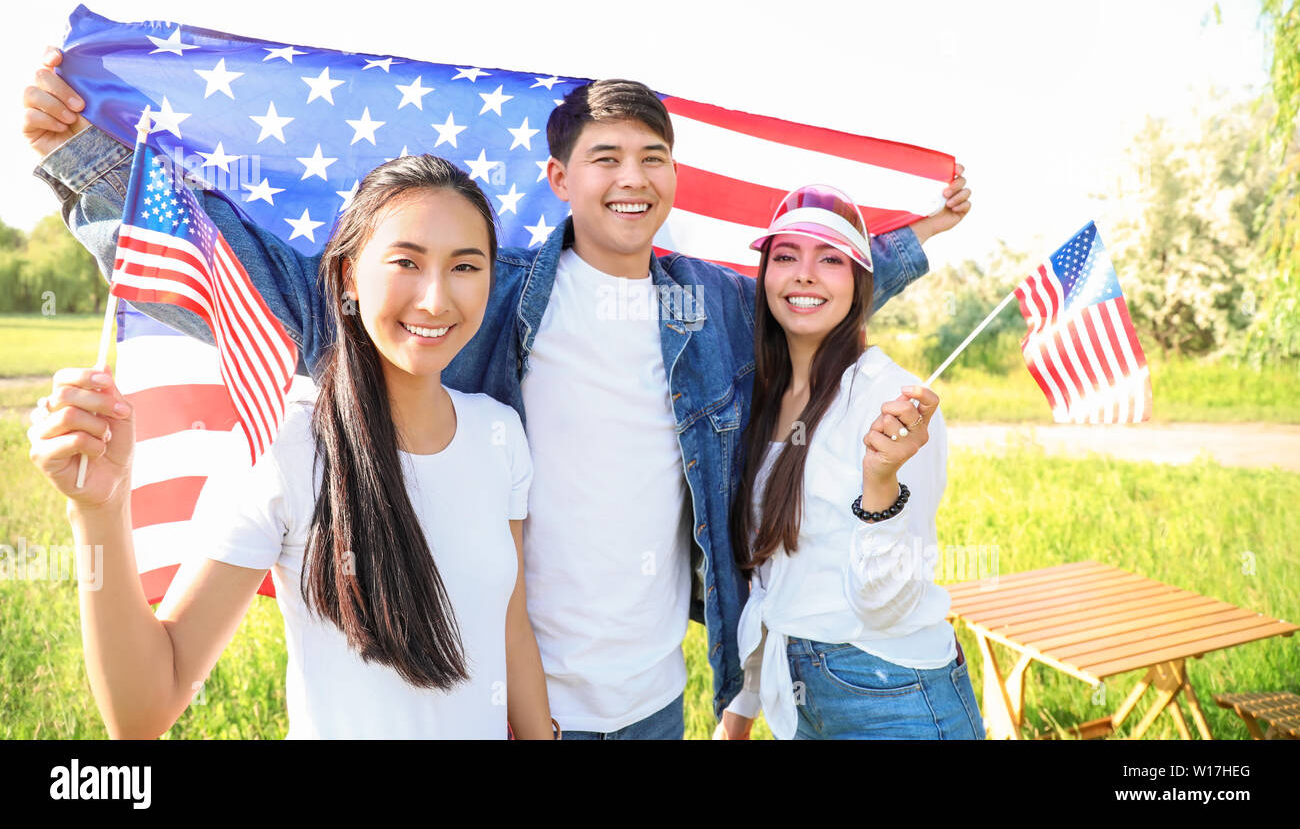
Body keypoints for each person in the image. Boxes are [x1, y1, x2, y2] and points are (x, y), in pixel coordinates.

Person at [25, 56, 971, 737]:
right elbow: (270, 282)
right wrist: (88, 162)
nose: (631, 179)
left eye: (653, 158)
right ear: (561, 179)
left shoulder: (711, 305)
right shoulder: (496, 289)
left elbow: (807, 291)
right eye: (605, 157)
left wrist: (912, 232)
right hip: (518, 697)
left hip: (653, 698)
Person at [27, 154, 554, 739]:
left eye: (465, 266)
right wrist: (97, 511)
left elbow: (507, 627)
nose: (435, 299)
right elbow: (143, 711)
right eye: (406, 261)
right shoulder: (285, 445)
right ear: (349, 274)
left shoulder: (501, 434)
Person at [714, 185, 983, 739]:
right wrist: (738, 717)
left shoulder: (892, 401)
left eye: (830, 259)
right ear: (765, 276)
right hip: (801, 694)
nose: (805, 274)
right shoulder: (764, 396)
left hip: (894, 692)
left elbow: (887, 604)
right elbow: (773, 577)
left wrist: (881, 484)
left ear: (862, 282)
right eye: (785, 256)